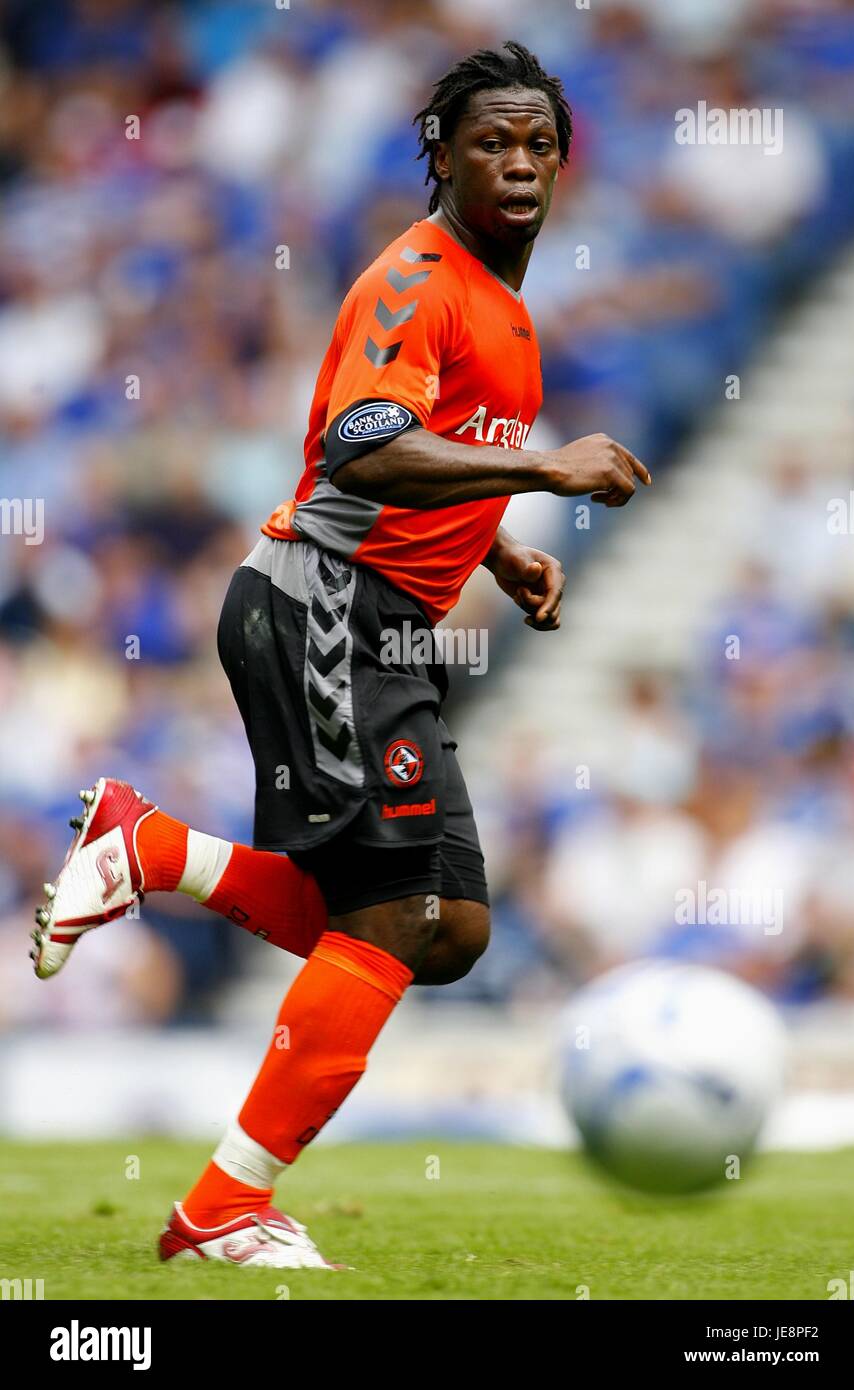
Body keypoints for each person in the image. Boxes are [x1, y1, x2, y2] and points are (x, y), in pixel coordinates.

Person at [30, 41, 649, 1270]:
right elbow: (365, 448)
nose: (517, 162)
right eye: (490, 141)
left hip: (381, 620)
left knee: (451, 924)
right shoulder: (416, 279)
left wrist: (491, 552)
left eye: (537, 142)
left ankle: (148, 847)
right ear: (441, 155)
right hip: (324, 613)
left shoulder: (506, 313)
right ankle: (223, 1204)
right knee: (393, 912)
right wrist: (539, 467)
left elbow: (420, 460)